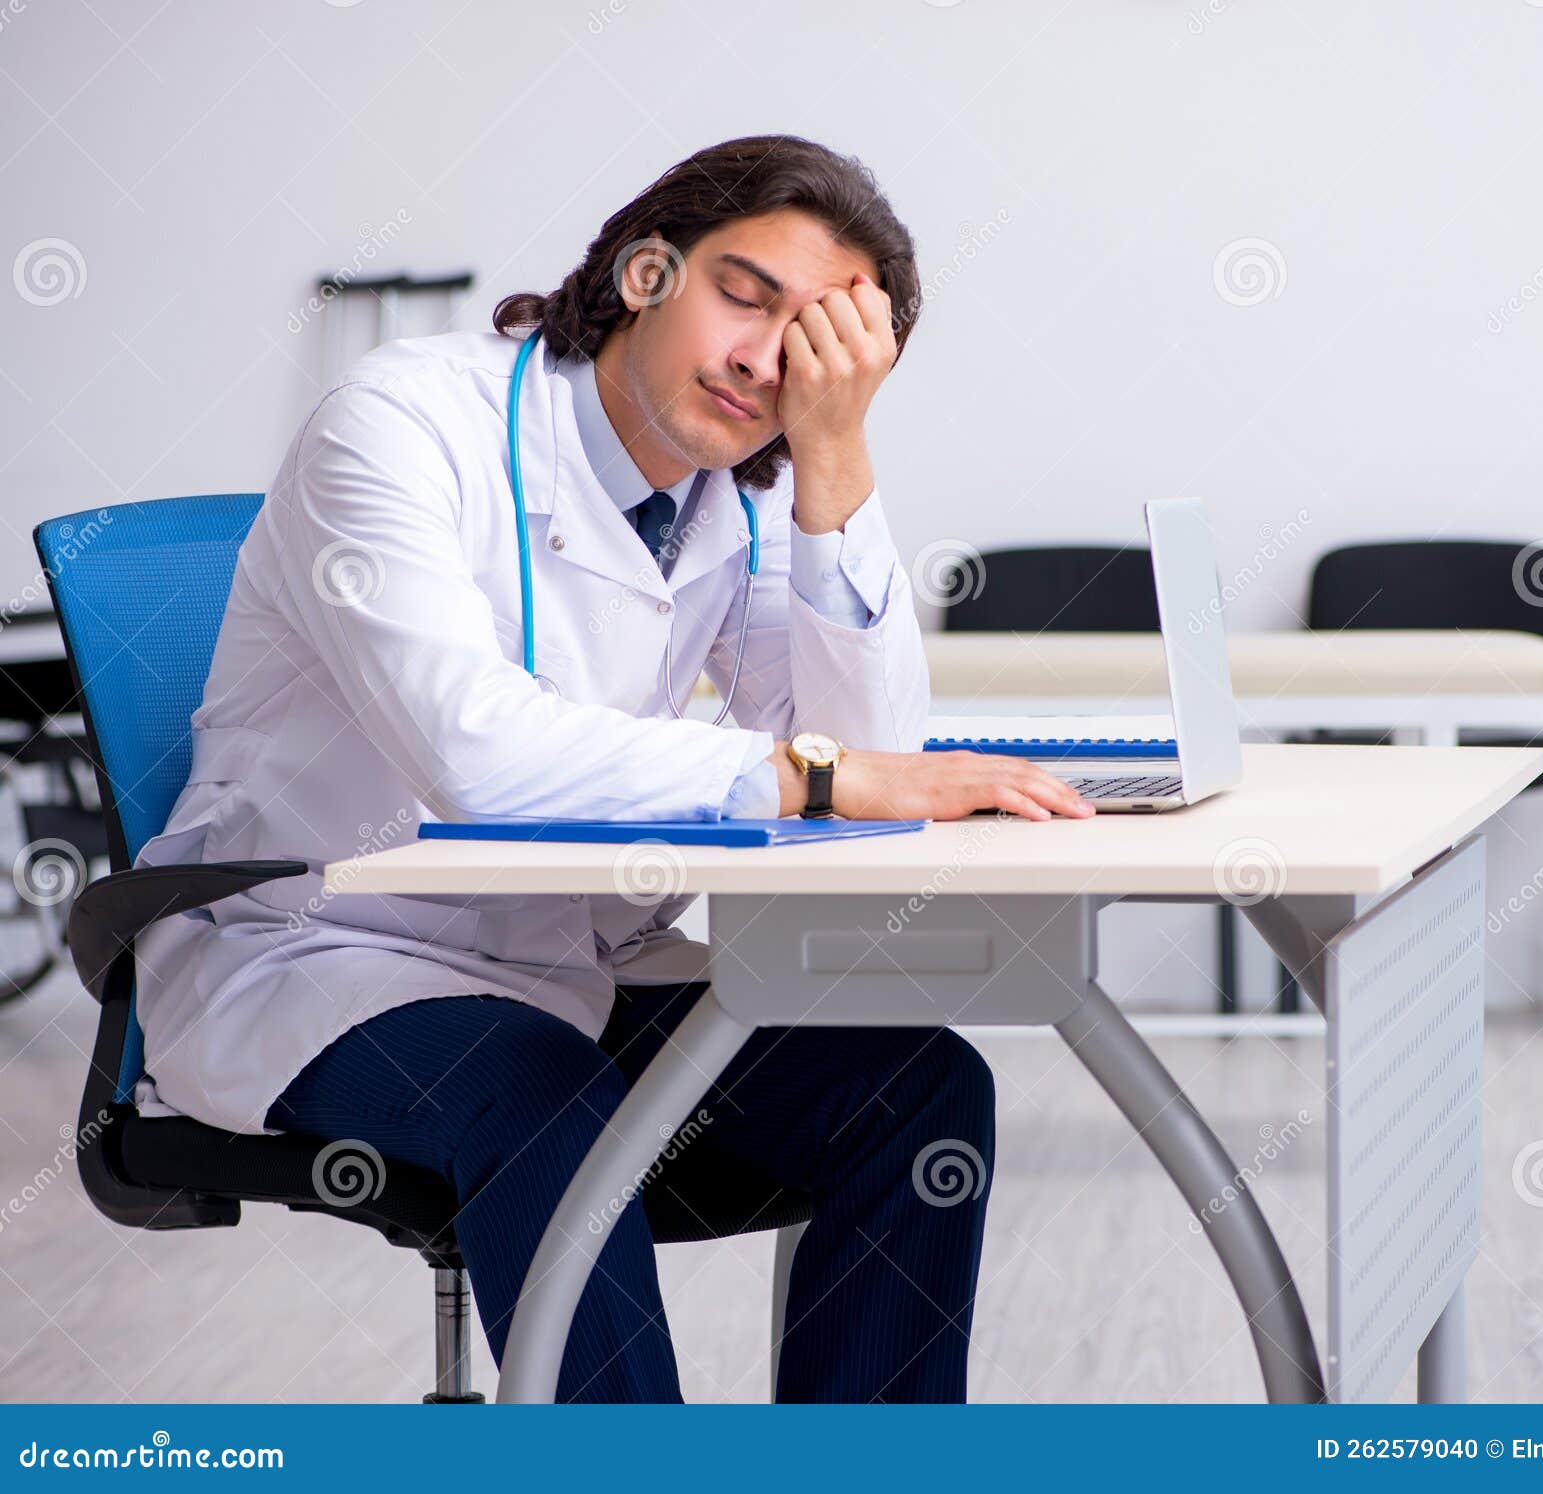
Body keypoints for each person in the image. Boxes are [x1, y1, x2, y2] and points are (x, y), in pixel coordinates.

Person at [132, 133, 1090, 1401]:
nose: (763, 359)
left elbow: (870, 753)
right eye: (744, 297)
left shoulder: (742, 488)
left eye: (813, 340)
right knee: (543, 1095)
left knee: (916, 1088)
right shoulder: (398, 425)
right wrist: (816, 777)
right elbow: (477, 755)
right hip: (323, 949)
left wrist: (835, 458)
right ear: (646, 271)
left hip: (567, 957)